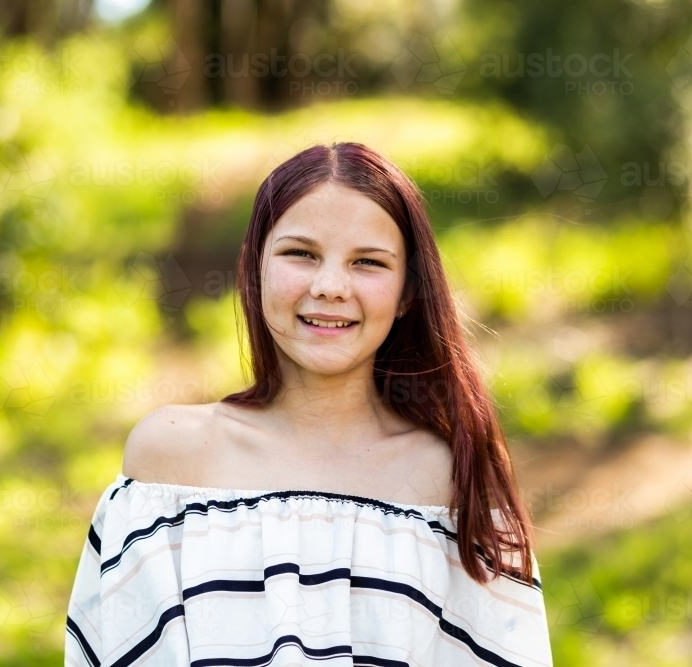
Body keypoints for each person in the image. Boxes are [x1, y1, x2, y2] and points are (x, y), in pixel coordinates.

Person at [64, 142, 553, 666]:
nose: (330, 287)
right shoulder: (170, 463)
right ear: (254, 270)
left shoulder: (452, 476)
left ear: (407, 292)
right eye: (301, 254)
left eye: (368, 262)